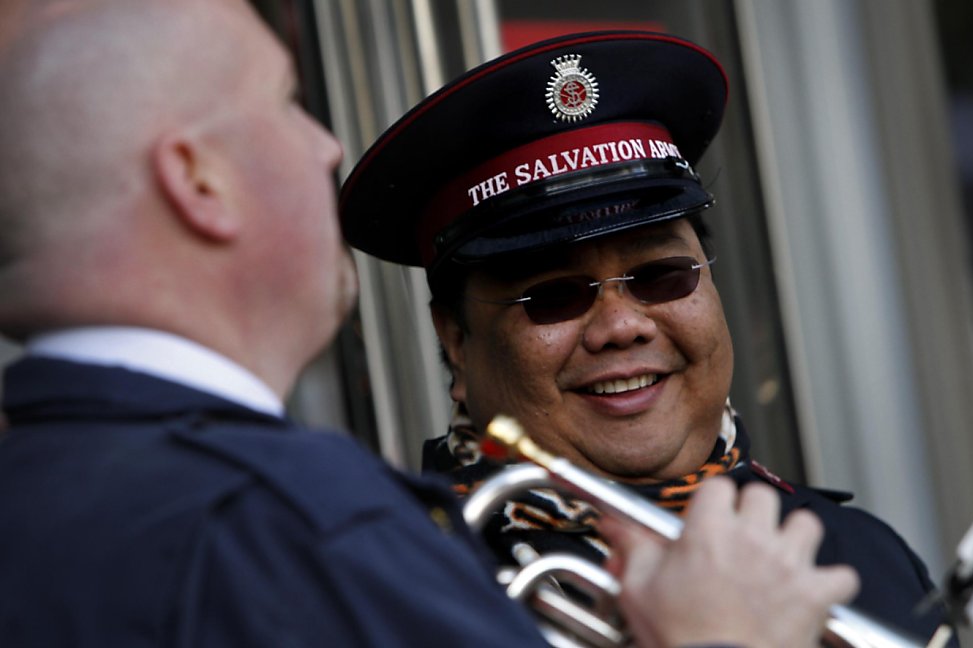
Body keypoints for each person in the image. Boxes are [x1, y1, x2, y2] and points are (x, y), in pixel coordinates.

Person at [0, 1, 857, 647]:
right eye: (290, 103)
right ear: (198, 180)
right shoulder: (302, 528)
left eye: (662, 276)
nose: (325, 147)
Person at [338, 29, 956, 644]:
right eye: (555, 295)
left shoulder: (859, 554)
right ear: (456, 341)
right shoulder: (382, 583)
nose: (622, 327)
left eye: (661, 277)